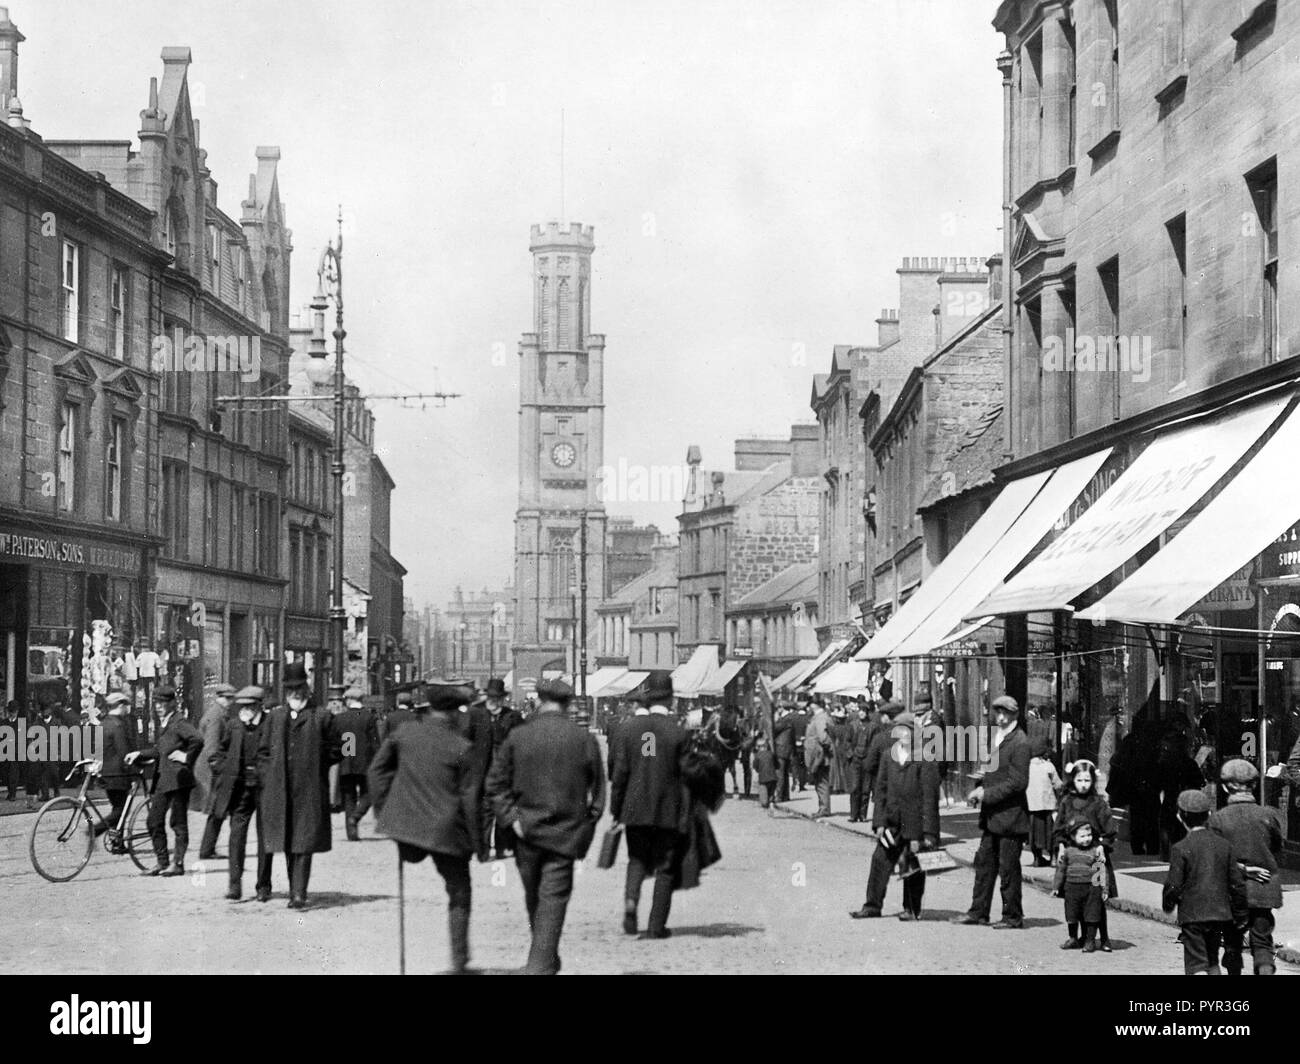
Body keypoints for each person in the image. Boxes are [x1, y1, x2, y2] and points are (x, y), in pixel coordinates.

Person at [486, 679, 604, 975]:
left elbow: (495, 785)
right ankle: (545, 959)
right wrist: (585, 825)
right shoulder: (583, 739)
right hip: (566, 833)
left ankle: (539, 965)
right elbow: (599, 794)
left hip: (526, 832)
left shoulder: (518, 737)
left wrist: (512, 819)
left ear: (539, 700)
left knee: (534, 897)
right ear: (567, 704)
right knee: (552, 899)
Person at [371, 681, 488, 974]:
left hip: (405, 827)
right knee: (460, 890)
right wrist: (480, 845)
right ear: (456, 713)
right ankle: (459, 961)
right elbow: (471, 799)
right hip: (445, 831)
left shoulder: (404, 733)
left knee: (420, 860)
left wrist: (385, 810)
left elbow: (376, 771)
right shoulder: (463, 747)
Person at [610, 669, 687, 939]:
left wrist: (616, 809)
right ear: (669, 699)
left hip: (634, 806)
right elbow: (686, 775)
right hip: (667, 808)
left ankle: (631, 901)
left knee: (636, 858)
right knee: (666, 867)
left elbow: (619, 774)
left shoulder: (629, 729)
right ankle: (656, 926)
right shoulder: (678, 733)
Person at [257, 662, 343, 908]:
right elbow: (262, 753)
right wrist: (268, 778)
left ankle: (298, 893)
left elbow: (342, 748)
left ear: (306, 689)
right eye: (290, 690)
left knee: (303, 842)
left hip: (309, 790)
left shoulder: (322, 716)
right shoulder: (275, 717)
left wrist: (319, 764)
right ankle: (295, 887)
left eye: (299, 689)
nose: (295, 694)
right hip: (280, 789)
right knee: (287, 840)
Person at [850, 704, 939, 921]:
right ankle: (872, 905)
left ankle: (911, 908)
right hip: (891, 822)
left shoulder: (925, 758)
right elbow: (880, 791)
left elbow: (930, 798)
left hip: (914, 824)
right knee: (880, 860)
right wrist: (879, 823)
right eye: (899, 731)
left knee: (913, 865)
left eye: (907, 731)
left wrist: (928, 834)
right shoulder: (889, 757)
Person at [952, 694, 1030, 929]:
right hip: (992, 817)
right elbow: (994, 772)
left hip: (1011, 817)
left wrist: (987, 794)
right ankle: (978, 912)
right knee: (984, 865)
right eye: (997, 711)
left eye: (1005, 712)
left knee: (1008, 870)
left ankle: (1012, 917)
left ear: (1015, 715)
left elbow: (1018, 783)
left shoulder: (1020, 743)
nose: (1000, 716)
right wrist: (980, 785)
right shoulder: (998, 738)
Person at [1209, 759, 1283, 976]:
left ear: (1224, 787)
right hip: (1263, 889)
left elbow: (1216, 859)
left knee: (1232, 942)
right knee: (1262, 942)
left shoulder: (1219, 819)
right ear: (1253, 785)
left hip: (1232, 892)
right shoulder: (1268, 815)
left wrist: (1242, 869)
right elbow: (1277, 847)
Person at [1162, 789, 1248, 975]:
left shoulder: (1180, 848)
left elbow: (1174, 884)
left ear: (1180, 816)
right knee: (1211, 959)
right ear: (1209, 815)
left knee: (1196, 963)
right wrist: (1241, 913)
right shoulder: (1224, 846)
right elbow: (1237, 884)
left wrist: (1168, 903)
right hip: (1219, 914)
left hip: (1192, 914)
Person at [127, 685, 202, 876]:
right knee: (153, 821)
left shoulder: (179, 722)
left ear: (172, 703)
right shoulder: (165, 723)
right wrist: (139, 753)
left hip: (178, 780)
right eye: (156, 703)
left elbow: (198, 739)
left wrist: (186, 757)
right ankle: (162, 862)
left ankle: (177, 864)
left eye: (162, 703)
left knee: (177, 823)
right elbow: (160, 751)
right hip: (163, 780)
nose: (158, 707)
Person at [209, 686, 270, 901]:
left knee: (265, 838)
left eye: (249, 706)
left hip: (263, 788)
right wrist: (221, 768)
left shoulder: (270, 726)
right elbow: (221, 751)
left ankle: (263, 886)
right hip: (240, 789)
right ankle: (234, 885)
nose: (244, 709)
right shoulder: (234, 725)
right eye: (242, 705)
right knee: (236, 837)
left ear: (259, 706)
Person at [1051, 758, 1118, 949]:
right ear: (1073, 780)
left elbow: (1110, 829)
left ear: (1093, 781)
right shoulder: (1067, 802)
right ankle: (1081, 936)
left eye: (1087, 780)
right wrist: (1062, 845)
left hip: (1095, 856)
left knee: (1097, 899)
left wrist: (1103, 845)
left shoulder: (1098, 803)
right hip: (1073, 857)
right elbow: (1059, 828)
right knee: (1076, 899)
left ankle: (1103, 938)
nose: (1083, 785)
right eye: (1079, 780)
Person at [1053, 818, 1108, 953]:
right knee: (1071, 914)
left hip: (1091, 888)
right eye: (1082, 836)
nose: (1086, 839)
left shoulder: (1095, 852)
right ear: (1073, 836)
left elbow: (1100, 871)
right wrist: (1056, 887)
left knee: (1091, 915)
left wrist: (1104, 889)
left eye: (1089, 835)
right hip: (1072, 888)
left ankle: (1089, 941)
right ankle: (1072, 938)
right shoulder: (1068, 852)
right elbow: (1061, 870)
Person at [196, 683, 236, 860]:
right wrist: (220, 768)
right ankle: (206, 849)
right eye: (226, 698)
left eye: (230, 698)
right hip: (213, 769)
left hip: (213, 767)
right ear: (218, 698)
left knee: (217, 809)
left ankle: (208, 848)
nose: (229, 702)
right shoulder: (217, 716)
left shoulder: (218, 713)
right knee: (216, 809)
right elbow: (212, 746)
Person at [94, 692, 139, 850]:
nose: (128, 709)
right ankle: (96, 830)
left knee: (117, 808)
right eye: (126, 705)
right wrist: (135, 774)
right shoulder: (118, 726)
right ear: (121, 706)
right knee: (121, 811)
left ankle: (117, 842)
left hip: (105, 774)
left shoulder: (103, 723)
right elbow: (124, 753)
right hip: (119, 774)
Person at [484, 677, 523, 857]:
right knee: (484, 813)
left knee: (503, 810)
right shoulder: (478, 716)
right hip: (483, 771)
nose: (495, 701)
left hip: (506, 772)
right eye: (492, 698)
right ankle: (483, 848)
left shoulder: (513, 717)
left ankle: (501, 848)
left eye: (498, 698)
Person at [334, 686, 379, 841]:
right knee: (369, 793)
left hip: (346, 761)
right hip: (364, 763)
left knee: (349, 797)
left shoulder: (340, 718)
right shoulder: (368, 717)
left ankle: (351, 833)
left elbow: (336, 742)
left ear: (350, 700)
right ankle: (356, 816)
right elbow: (374, 743)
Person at [1027, 735, 1062, 868]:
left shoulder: (1026, 767)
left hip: (1032, 807)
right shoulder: (1048, 766)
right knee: (1050, 834)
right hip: (1047, 806)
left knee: (1034, 834)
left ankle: (1037, 858)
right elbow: (1057, 784)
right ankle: (1053, 858)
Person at [847, 702, 879, 823]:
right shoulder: (852, 725)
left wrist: (871, 758)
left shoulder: (873, 726)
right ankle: (853, 814)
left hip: (867, 760)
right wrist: (851, 755)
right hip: (855, 760)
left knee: (866, 789)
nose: (861, 713)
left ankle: (863, 814)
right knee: (855, 787)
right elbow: (847, 742)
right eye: (860, 711)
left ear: (867, 713)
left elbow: (875, 744)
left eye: (864, 711)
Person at [804, 698, 834, 817]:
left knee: (821, 783)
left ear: (814, 705)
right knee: (820, 782)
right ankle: (823, 807)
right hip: (818, 754)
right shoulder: (820, 717)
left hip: (819, 756)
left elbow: (823, 737)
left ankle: (824, 808)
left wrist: (825, 748)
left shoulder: (820, 718)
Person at [772, 705, 795, 802]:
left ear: (781, 708)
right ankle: (785, 795)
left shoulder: (785, 720)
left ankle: (779, 796)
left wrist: (775, 719)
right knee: (784, 773)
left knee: (780, 773)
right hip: (786, 749)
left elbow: (774, 729)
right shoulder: (789, 719)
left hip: (781, 749)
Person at [2, 700, 23, 802]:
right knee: (5, 774)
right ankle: (10, 791)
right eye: (10, 711)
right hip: (5, 752)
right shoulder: (3, 723)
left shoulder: (21, 723)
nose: (11, 713)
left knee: (13, 773)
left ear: (17, 712)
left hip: (16, 752)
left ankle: (13, 793)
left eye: (13, 711)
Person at [753, 735, 778, 813]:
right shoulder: (772, 754)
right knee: (771, 792)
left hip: (763, 779)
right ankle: (771, 803)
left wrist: (758, 770)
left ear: (758, 747)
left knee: (764, 799)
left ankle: (766, 804)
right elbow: (777, 765)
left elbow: (755, 766)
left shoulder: (757, 755)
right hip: (773, 778)